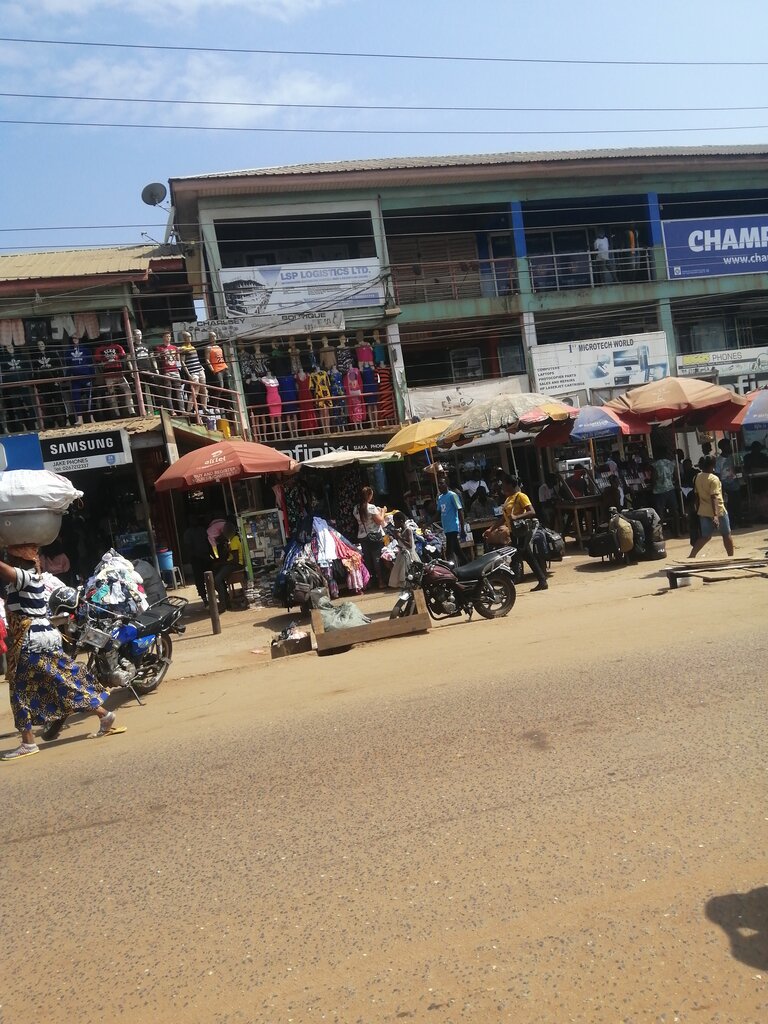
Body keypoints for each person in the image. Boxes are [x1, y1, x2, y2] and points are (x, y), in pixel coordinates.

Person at [1, 543, 120, 760]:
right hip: (41, 637)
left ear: (19, 560)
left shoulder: (25, 576)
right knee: (62, 681)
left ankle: (28, 742)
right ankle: (104, 714)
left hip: (32, 641)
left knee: (20, 691)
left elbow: (4, 570)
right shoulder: (30, 576)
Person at [500, 475, 549, 592]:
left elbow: (532, 511)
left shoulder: (521, 496)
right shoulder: (508, 499)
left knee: (516, 555)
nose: (502, 486)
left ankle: (509, 583)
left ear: (511, 485)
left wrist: (517, 517)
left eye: (504, 483)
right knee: (527, 556)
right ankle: (542, 580)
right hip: (514, 532)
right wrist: (491, 529)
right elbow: (504, 518)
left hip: (521, 532)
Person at [689, 456, 734, 559]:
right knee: (726, 535)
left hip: (703, 511)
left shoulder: (697, 477)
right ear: (713, 465)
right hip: (719, 511)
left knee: (705, 536)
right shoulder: (714, 479)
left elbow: (696, 495)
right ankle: (731, 557)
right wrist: (715, 516)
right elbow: (714, 497)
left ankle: (692, 556)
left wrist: (697, 509)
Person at [353, 486, 387, 588]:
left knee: (367, 559)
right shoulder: (371, 507)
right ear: (369, 495)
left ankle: (369, 582)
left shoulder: (356, 508)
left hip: (362, 536)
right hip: (374, 536)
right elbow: (380, 520)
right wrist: (383, 511)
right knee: (376, 559)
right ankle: (381, 582)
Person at [212, 522, 243, 611]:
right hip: (232, 563)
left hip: (235, 565)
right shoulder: (234, 539)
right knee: (216, 574)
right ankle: (226, 599)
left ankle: (223, 604)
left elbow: (235, 560)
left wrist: (221, 563)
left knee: (217, 580)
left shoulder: (234, 542)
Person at [184, 515, 213, 606]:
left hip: (205, 557)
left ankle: (213, 597)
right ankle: (205, 600)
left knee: (211, 578)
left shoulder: (202, 530)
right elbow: (189, 547)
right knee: (199, 580)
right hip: (196, 559)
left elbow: (209, 542)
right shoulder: (188, 533)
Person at [388, 511, 421, 589]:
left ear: (401, 521)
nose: (394, 524)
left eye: (395, 521)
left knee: (409, 573)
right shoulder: (400, 531)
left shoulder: (408, 530)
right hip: (402, 555)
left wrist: (399, 537)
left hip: (409, 556)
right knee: (403, 574)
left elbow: (409, 545)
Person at [436, 478, 465, 565]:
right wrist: (427, 523)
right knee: (457, 551)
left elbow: (460, 511)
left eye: (442, 483)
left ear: (446, 484)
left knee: (449, 552)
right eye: (439, 484)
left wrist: (462, 528)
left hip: (453, 527)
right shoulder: (440, 498)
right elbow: (438, 513)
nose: (440, 486)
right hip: (446, 528)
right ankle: (466, 564)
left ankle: (452, 569)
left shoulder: (453, 495)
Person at [651, 448, 679, 531]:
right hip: (670, 489)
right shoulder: (671, 463)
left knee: (660, 512)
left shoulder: (655, 465)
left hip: (659, 491)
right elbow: (676, 476)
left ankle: (660, 533)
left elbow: (654, 478)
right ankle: (677, 531)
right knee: (675, 511)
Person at [715, 438, 741, 524]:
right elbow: (718, 474)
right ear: (723, 447)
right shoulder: (719, 461)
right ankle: (732, 522)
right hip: (726, 485)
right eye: (727, 445)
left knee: (737, 502)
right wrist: (720, 487)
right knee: (729, 504)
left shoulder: (733, 457)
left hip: (735, 484)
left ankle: (739, 520)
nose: (729, 447)